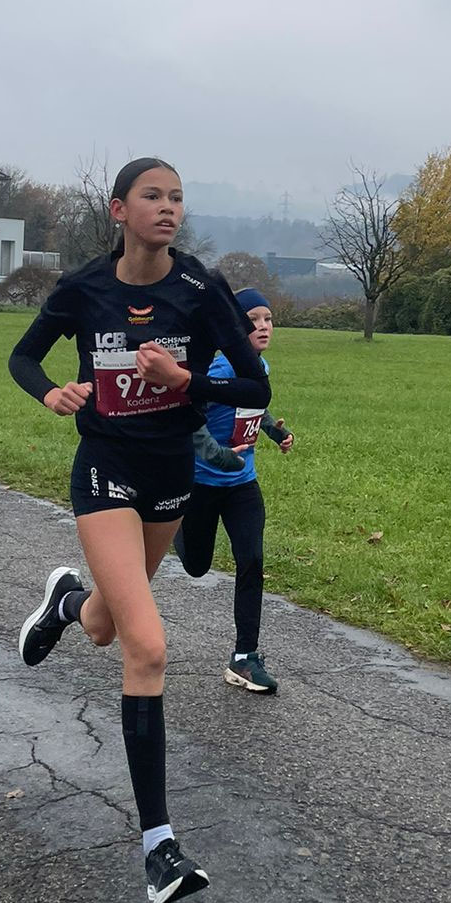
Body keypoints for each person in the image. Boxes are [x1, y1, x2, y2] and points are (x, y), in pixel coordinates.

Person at [8, 157, 270, 903]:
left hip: (171, 477)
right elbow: (24, 355)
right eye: (153, 196)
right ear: (120, 210)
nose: (169, 208)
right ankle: (160, 848)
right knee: (146, 644)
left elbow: (256, 386)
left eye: (178, 197)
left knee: (101, 625)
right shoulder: (84, 287)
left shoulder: (199, 290)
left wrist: (187, 383)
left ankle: (65, 604)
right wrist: (51, 390)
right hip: (105, 471)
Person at [175, 289, 295, 694]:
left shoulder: (259, 366)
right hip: (201, 484)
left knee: (252, 560)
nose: (263, 327)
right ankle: (174, 527)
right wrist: (216, 452)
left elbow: (249, 409)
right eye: (254, 320)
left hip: (242, 484)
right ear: (233, 326)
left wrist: (275, 432)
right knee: (195, 565)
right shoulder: (216, 366)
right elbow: (189, 419)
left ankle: (245, 656)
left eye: (268, 319)